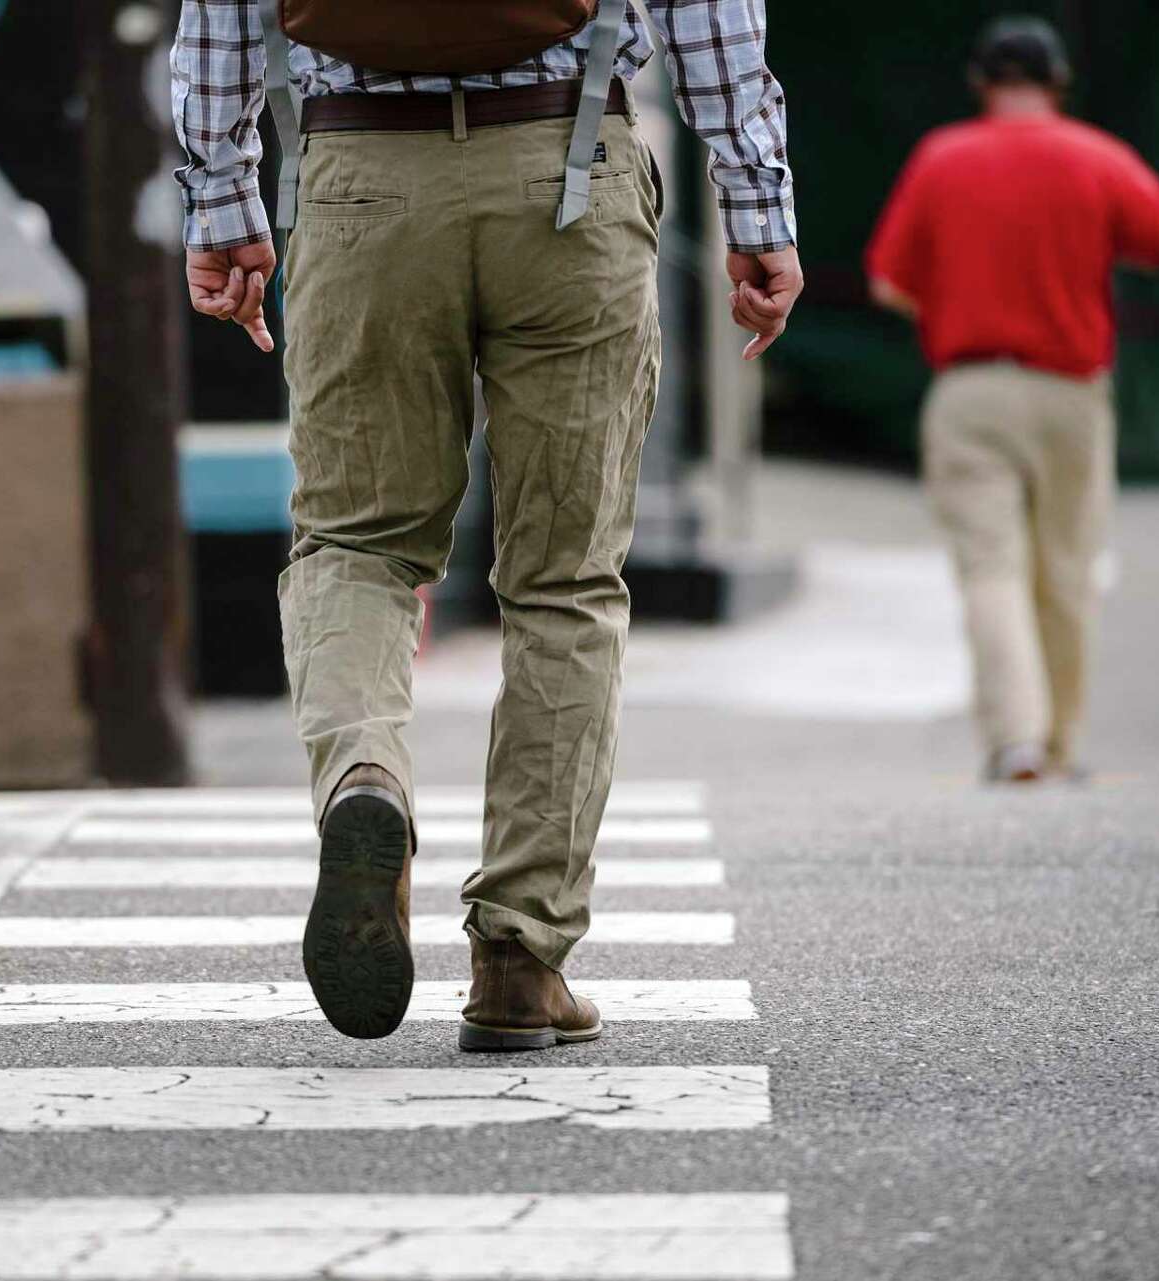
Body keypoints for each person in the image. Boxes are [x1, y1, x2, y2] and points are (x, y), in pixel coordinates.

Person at [171, 1, 800, 1046]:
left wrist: (220, 201)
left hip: (362, 178)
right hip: (569, 170)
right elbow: (708, 16)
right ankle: (520, 957)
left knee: (357, 543)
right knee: (564, 580)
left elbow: (220, 19)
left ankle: (365, 773)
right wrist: (757, 208)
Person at [866, 16, 1159, 784]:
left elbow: (888, 280)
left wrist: (952, 304)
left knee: (991, 568)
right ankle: (1060, 743)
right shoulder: (1097, 156)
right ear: (1059, 83)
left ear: (980, 83)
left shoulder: (941, 158)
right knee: (1068, 570)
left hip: (970, 390)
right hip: (1071, 391)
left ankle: (1014, 739)